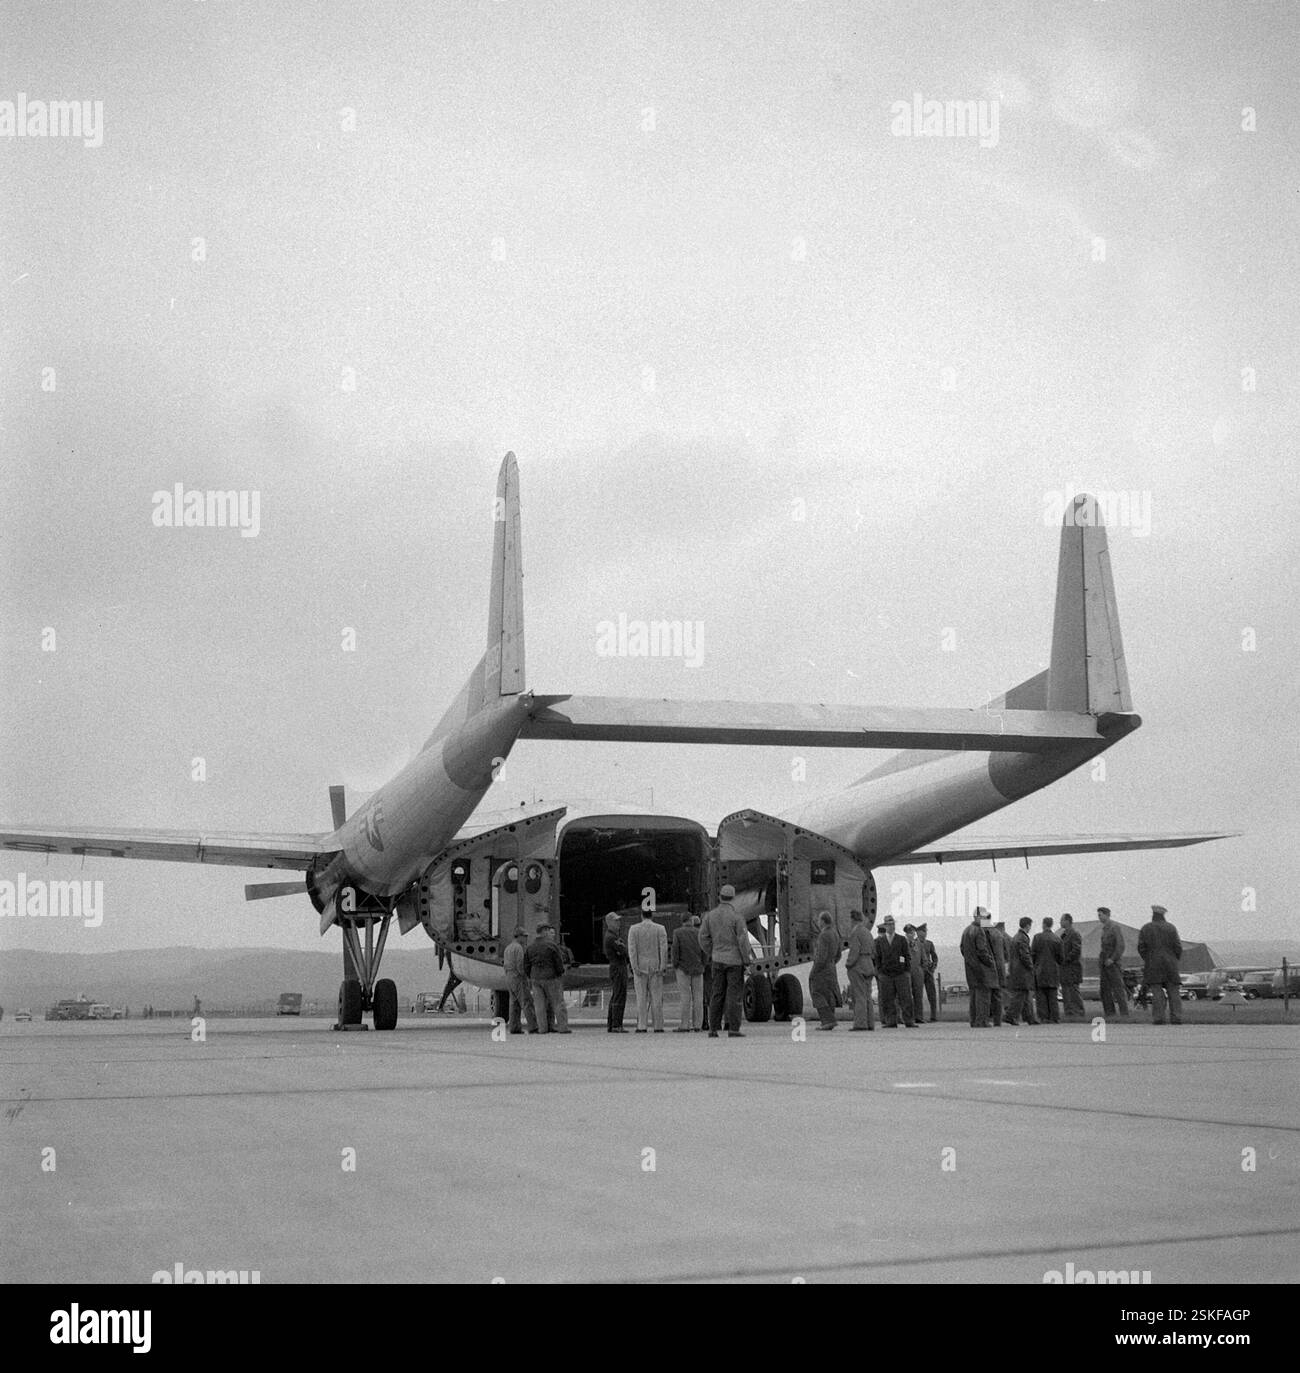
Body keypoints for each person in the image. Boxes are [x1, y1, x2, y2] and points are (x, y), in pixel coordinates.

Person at [699, 884, 754, 1037]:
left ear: (720, 897)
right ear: (733, 898)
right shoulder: (737, 917)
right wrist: (746, 960)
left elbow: (702, 938)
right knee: (734, 995)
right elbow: (743, 941)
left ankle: (713, 1029)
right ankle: (733, 1028)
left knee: (717, 994)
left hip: (717, 960)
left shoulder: (709, 916)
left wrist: (712, 951)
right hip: (734, 961)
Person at [1138, 904, 1183, 1025]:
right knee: (1173, 992)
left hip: (1153, 964)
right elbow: (1178, 947)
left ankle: (1159, 1018)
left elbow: (1141, 948)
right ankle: (1176, 1017)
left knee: (1157, 992)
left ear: (1153, 915)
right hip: (1171, 964)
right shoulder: (1171, 928)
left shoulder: (1146, 928)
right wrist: (1174, 959)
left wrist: (1148, 959)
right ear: (1163, 915)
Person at [523, 922, 570, 1033]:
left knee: (539, 1005)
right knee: (558, 1003)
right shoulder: (552, 945)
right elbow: (558, 962)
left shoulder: (530, 946)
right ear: (544, 931)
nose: (550, 933)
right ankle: (563, 1028)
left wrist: (530, 975)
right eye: (548, 930)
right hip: (551, 977)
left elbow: (526, 964)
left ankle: (542, 1029)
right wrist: (560, 972)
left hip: (535, 978)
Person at [628, 908, 669, 1033]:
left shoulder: (633, 929)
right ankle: (658, 1026)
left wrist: (634, 966)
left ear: (641, 916)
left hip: (640, 967)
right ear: (652, 915)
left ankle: (642, 1026)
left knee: (641, 998)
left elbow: (632, 950)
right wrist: (663, 966)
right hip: (655, 967)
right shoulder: (660, 928)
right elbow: (664, 949)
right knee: (657, 998)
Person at [873, 915, 915, 1028]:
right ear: (885, 925)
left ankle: (909, 1020)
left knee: (905, 998)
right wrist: (880, 971)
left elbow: (907, 956)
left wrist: (906, 971)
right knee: (888, 999)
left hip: (900, 974)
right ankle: (890, 1021)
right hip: (886, 974)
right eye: (889, 924)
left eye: (893, 924)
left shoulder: (901, 940)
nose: (891, 926)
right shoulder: (880, 941)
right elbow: (877, 958)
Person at [959, 908, 996, 1027]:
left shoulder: (966, 930)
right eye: (984, 917)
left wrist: (970, 960)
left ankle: (974, 1020)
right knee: (983, 996)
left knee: (974, 996)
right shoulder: (979, 931)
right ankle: (982, 1021)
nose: (985, 920)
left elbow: (962, 949)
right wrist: (990, 962)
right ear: (978, 917)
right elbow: (982, 951)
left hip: (970, 967)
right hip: (981, 968)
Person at [670, 914, 706, 1032]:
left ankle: (684, 1025)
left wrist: (675, 964)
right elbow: (704, 950)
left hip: (683, 968)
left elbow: (675, 950)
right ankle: (698, 1025)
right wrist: (703, 964)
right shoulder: (699, 932)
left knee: (685, 997)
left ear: (682, 921)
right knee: (698, 998)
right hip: (698, 968)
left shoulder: (678, 933)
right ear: (691, 920)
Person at [844, 909, 876, 1031]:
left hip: (859, 965)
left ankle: (860, 1024)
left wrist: (848, 964)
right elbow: (873, 951)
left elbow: (855, 950)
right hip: (869, 964)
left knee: (859, 996)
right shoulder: (868, 933)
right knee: (867, 996)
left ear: (852, 919)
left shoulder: (855, 932)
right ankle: (870, 1023)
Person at [809, 912, 842, 1030]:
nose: (818, 922)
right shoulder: (835, 933)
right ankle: (830, 1020)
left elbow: (821, 957)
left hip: (822, 969)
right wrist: (831, 963)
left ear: (823, 921)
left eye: (819, 920)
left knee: (817, 993)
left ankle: (827, 1021)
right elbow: (839, 954)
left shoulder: (823, 935)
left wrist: (814, 971)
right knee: (829, 995)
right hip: (831, 967)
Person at [503, 926, 538, 1034]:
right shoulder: (518, 948)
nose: (526, 938)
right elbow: (520, 965)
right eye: (525, 936)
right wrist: (525, 977)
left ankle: (514, 1027)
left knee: (514, 1004)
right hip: (517, 977)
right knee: (526, 1001)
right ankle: (533, 1026)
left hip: (509, 976)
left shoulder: (508, 948)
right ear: (519, 936)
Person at [1005, 917, 1039, 1025]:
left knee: (1025, 995)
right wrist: (1031, 966)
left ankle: (1029, 1017)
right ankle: (1011, 1016)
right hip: (1022, 971)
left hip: (1016, 970)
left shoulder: (1016, 937)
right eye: (1030, 926)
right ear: (1027, 925)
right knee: (1019, 995)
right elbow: (1025, 955)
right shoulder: (1023, 938)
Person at [1097, 906, 1130, 1017]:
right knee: (1104, 989)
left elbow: (1120, 945)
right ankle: (1110, 1013)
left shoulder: (1115, 928)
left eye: (1100, 915)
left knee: (1118, 989)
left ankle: (1124, 1013)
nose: (1099, 917)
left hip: (1113, 963)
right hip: (1104, 962)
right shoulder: (1104, 929)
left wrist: (1113, 958)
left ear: (1107, 915)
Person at [1031, 917, 1063, 1023]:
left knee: (1041, 996)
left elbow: (1033, 954)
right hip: (1053, 970)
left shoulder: (1037, 938)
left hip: (1040, 969)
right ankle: (1055, 1017)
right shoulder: (1057, 939)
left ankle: (1043, 1017)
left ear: (1043, 924)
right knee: (1052, 995)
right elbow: (1060, 957)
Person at [602, 912, 630, 1033]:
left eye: (619, 920)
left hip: (618, 966)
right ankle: (616, 1025)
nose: (619, 923)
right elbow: (624, 951)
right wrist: (624, 950)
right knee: (619, 995)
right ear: (609, 923)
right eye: (616, 921)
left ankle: (612, 1024)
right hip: (618, 967)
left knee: (616, 995)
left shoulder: (613, 935)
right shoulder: (611, 937)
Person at [1058, 913, 1085, 1020]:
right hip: (1064, 968)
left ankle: (1079, 1012)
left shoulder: (1074, 934)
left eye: (1062, 920)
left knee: (1073, 990)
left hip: (1073, 967)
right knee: (1065, 991)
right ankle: (1069, 1012)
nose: (1060, 922)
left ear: (1067, 921)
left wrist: (1066, 959)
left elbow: (1076, 949)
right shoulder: (1063, 935)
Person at [986, 919, 1009, 1026]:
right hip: (1000, 967)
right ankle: (998, 1019)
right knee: (998, 995)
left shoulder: (988, 934)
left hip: (991, 967)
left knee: (990, 995)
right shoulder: (1002, 936)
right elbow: (1006, 954)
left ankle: (989, 1017)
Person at [905, 925, 928, 1025]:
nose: (911, 934)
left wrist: (923, 968)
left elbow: (924, 957)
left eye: (913, 932)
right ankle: (908, 1017)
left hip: (917, 971)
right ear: (906, 933)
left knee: (918, 994)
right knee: (907, 995)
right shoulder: (903, 943)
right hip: (907, 971)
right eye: (909, 932)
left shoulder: (918, 944)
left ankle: (919, 1016)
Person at [918, 923, 938, 1022]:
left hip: (928, 972)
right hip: (919, 971)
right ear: (918, 932)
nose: (925, 933)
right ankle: (918, 1016)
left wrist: (933, 968)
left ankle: (933, 1016)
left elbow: (934, 957)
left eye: (926, 931)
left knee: (932, 994)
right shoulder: (914, 943)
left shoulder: (929, 944)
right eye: (923, 931)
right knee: (918, 994)